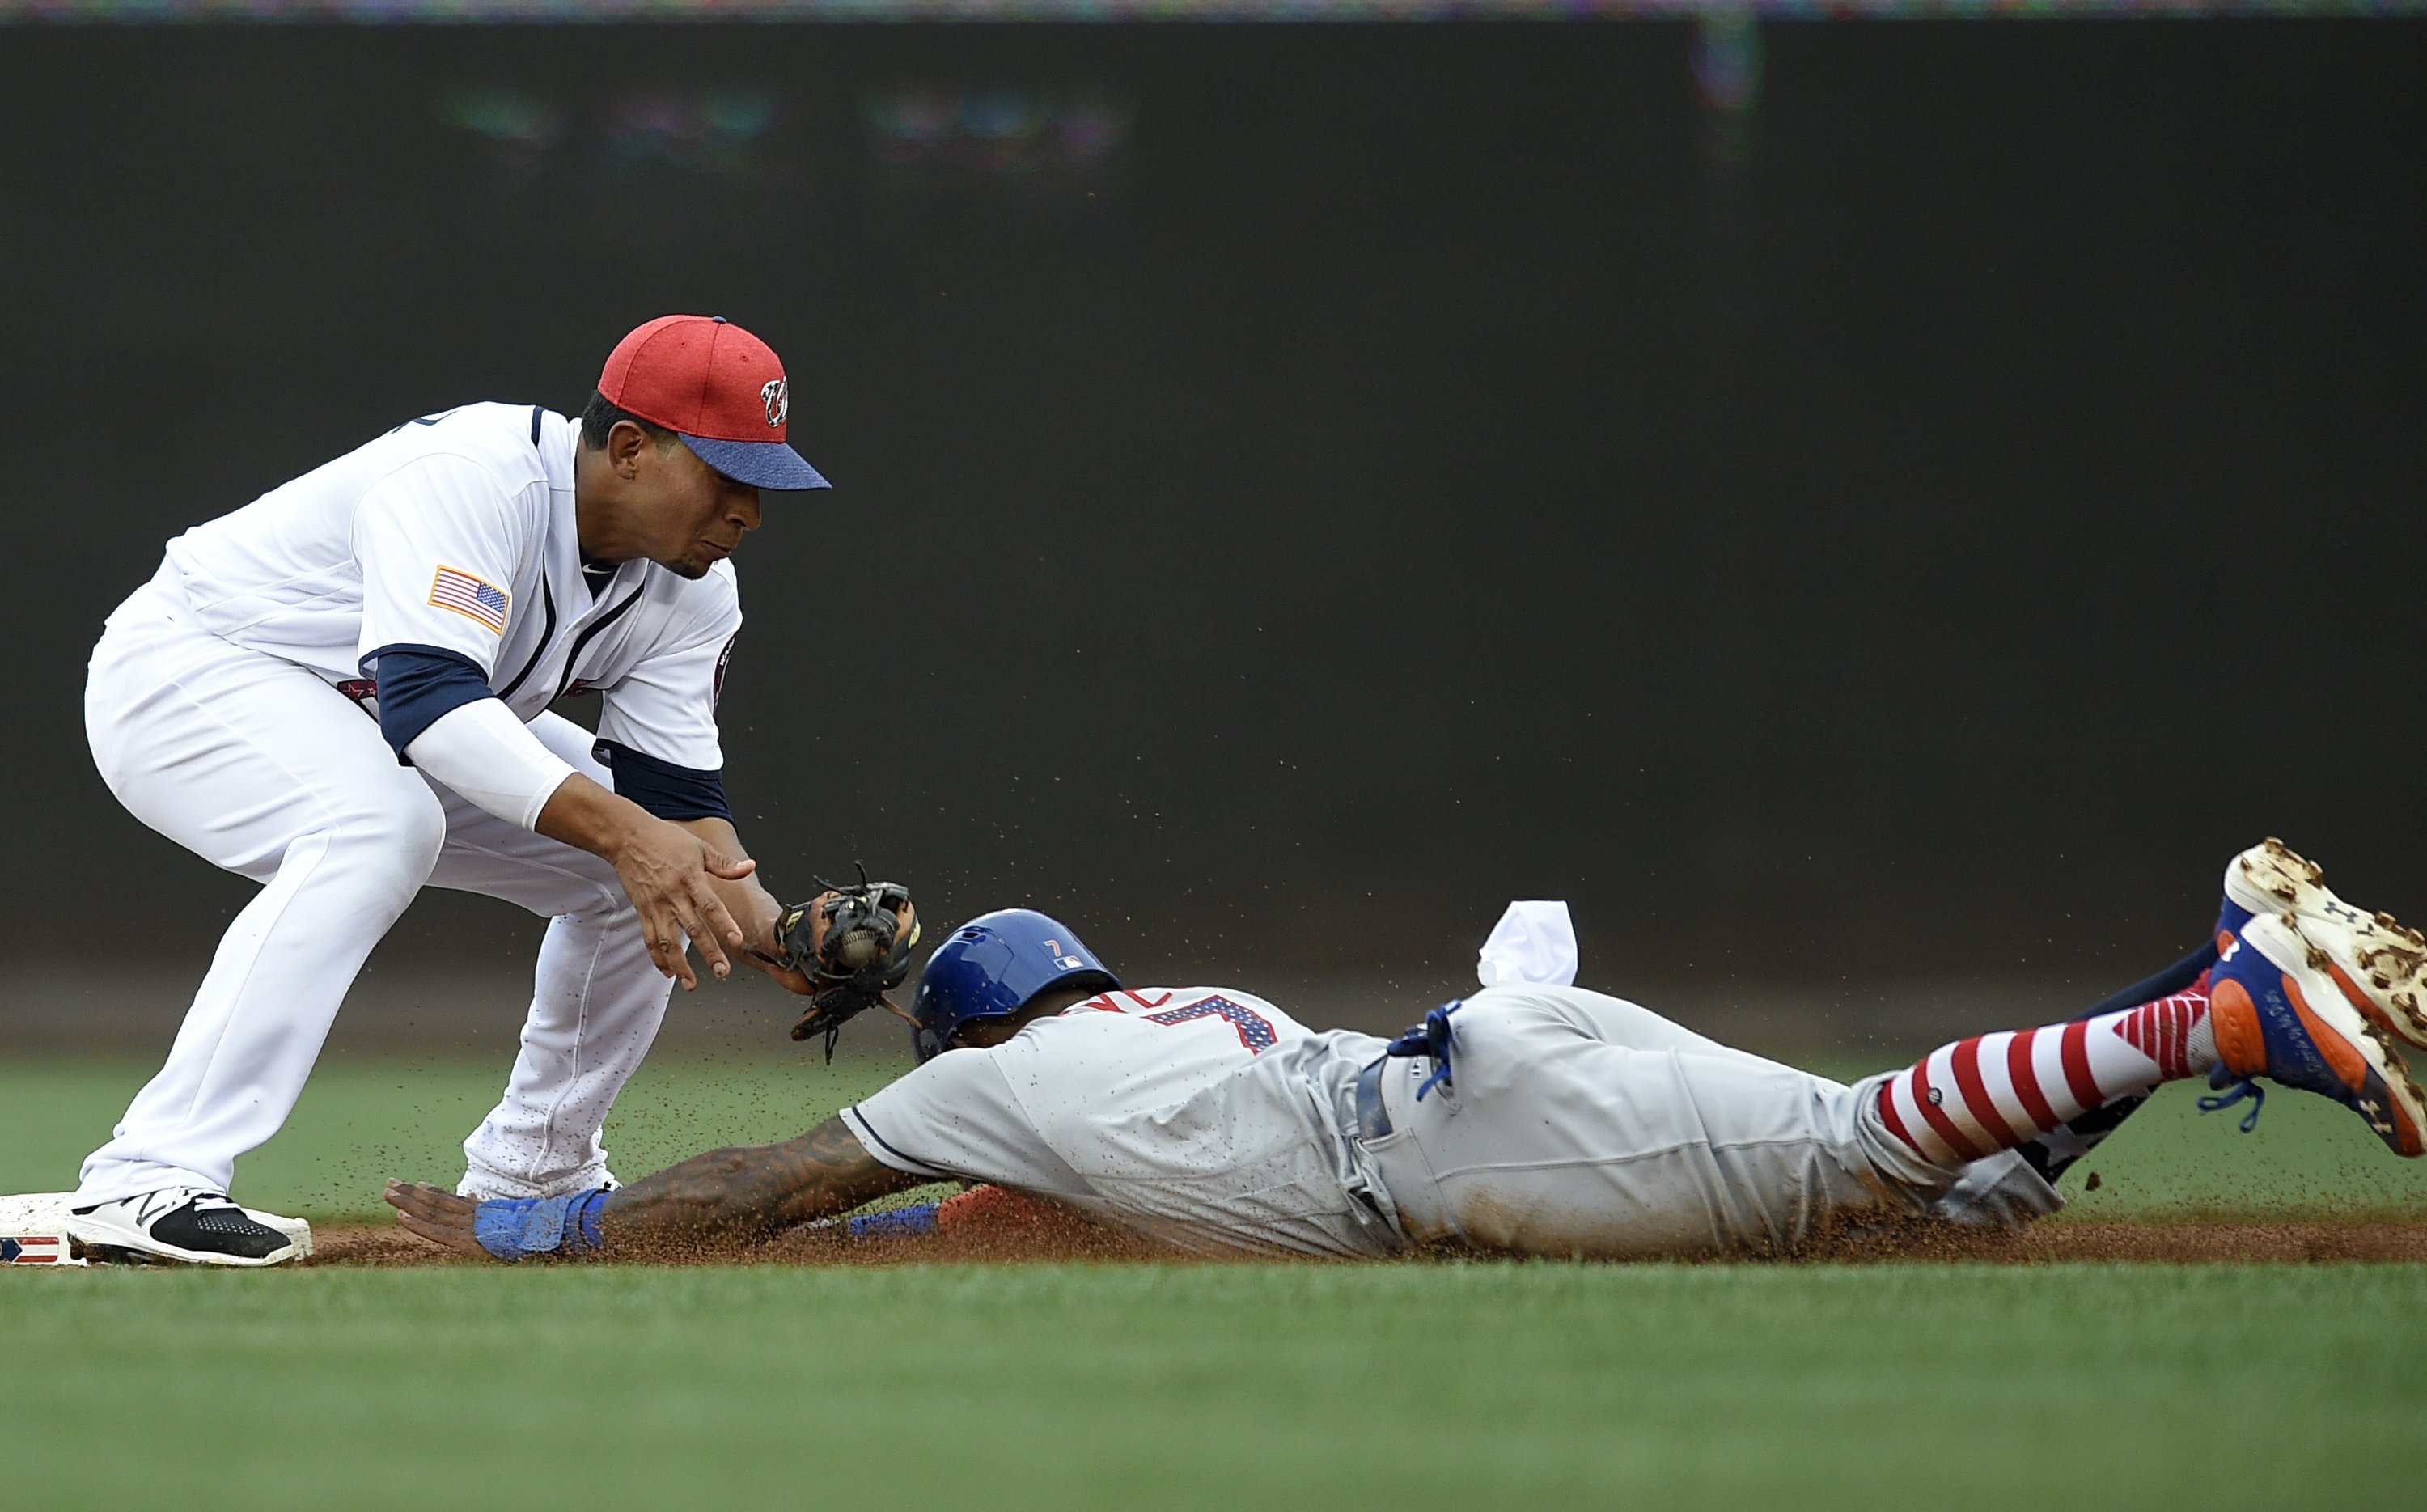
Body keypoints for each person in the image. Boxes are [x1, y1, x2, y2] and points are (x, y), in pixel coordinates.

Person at [387, 840, 2427, 1263]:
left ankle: (2211, 1010)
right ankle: (2187, 991)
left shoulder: (973, 1083)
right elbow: (1002, 1219)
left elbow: (770, 1183)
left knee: (1852, 1163)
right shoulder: (1175, 1021)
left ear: (974, 1036)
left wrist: (537, 1229)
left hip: (1454, 1144)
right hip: (1479, 1054)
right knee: (1936, 1213)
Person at [71, 315, 839, 1268]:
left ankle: (534, 1172)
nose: (749, 515)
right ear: (633, 449)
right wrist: (633, 838)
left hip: (367, 710)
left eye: (761, 486)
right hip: (190, 670)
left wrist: (784, 933)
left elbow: (676, 809)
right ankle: (144, 1176)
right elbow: (431, 705)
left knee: (631, 868)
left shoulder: (693, 591)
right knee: (378, 824)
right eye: (729, 479)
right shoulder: (477, 475)